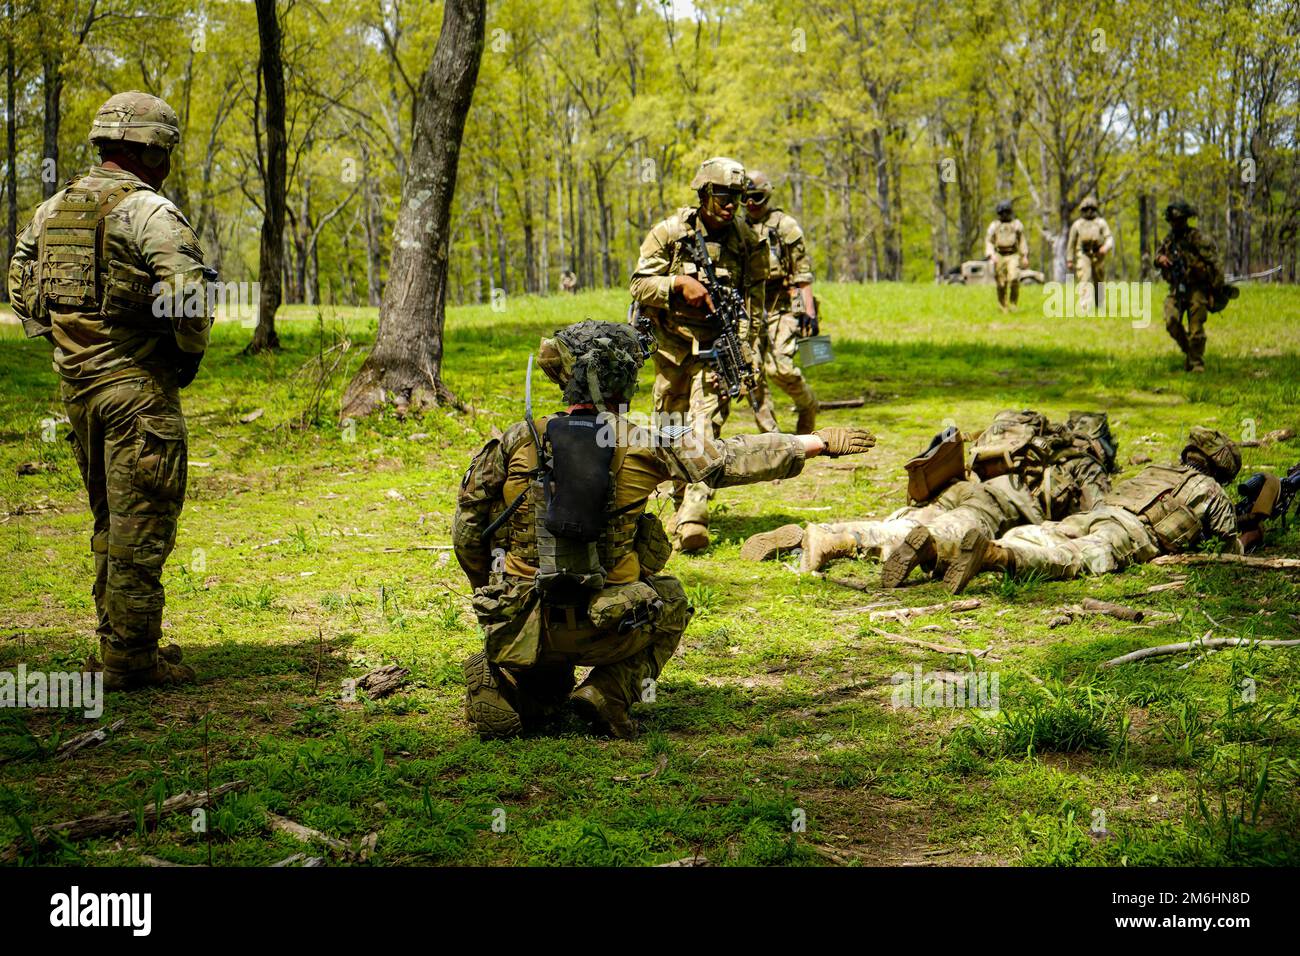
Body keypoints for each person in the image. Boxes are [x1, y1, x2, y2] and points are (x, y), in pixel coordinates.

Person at [452, 320, 875, 739]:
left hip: (524, 624)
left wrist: (493, 591)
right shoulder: (648, 442)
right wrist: (814, 442)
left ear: (569, 379)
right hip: (606, 628)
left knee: (545, 690)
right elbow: (728, 458)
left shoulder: (516, 439)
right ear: (624, 383)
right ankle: (607, 693)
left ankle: (504, 681)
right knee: (670, 598)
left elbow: (468, 532)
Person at [7, 92, 214, 689]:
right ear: (150, 150)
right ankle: (129, 661)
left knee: (110, 519)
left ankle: (119, 641)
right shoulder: (149, 212)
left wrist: (53, 336)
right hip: (137, 392)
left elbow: (20, 276)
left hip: (79, 391)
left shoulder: (54, 207)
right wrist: (185, 354)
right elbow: (189, 295)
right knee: (142, 523)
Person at [741, 410, 1116, 587]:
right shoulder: (1080, 461)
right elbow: (1096, 515)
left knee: (910, 522)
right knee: (945, 533)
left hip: (958, 486)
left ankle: (830, 533)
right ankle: (845, 543)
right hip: (1002, 502)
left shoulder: (1021, 427)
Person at [628, 156, 772, 553]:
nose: (731, 204)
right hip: (671, 349)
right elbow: (639, 285)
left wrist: (747, 349)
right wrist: (677, 283)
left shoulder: (748, 242)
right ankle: (679, 503)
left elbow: (753, 304)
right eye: (723, 195)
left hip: (717, 350)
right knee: (670, 428)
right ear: (704, 193)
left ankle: (694, 514)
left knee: (705, 427)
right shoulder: (671, 233)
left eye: (738, 197)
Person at [944, 428, 1241, 594]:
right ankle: (993, 556)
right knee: (1071, 559)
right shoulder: (1212, 490)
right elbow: (1228, 547)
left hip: (1096, 515)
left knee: (1040, 535)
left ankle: (938, 549)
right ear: (1222, 469)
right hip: (1129, 531)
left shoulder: (1158, 468)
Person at [742, 170, 819, 433]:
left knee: (780, 369)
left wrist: (809, 312)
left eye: (756, 197)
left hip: (783, 306)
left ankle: (807, 403)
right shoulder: (736, 229)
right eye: (745, 198)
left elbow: (802, 272)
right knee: (752, 375)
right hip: (749, 309)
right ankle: (772, 441)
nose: (751, 203)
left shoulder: (785, 226)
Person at [1155, 201, 1227, 373]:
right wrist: (1160, 260)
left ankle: (1196, 364)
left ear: (1186, 219)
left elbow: (1215, 264)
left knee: (1196, 328)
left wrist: (1215, 291)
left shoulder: (1198, 238)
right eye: (1172, 221)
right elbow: (1157, 255)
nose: (1175, 224)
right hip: (1176, 288)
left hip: (1196, 289)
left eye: (1179, 220)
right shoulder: (1169, 240)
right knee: (1171, 321)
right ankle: (1190, 351)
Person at [1066, 195, 1114, 314]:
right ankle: (1084, 307)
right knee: (1084, 279)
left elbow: (1109, 238)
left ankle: (1100, 305)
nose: (1089, 212)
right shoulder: (1077, 225)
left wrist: (1105, 247)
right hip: (1083, 254)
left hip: (1098, 254)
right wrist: (1070, 259)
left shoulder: (1101, 223)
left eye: (1091, 209)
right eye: (1086, 209)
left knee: (1099, 280)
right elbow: (1071, 243)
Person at [984, 200, 1029, 312]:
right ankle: (1002, 305)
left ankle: (1013, 303)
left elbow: (1022, 240)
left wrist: (1024, 256)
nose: (1005, 215)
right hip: (999, 255)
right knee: (1001, 282)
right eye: (1002, 213)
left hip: (1013, 254)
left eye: (1007, 212)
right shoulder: (994, 226)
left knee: (1014, 278)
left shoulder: (1016, 225)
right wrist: (991, 254)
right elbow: (989, 241)